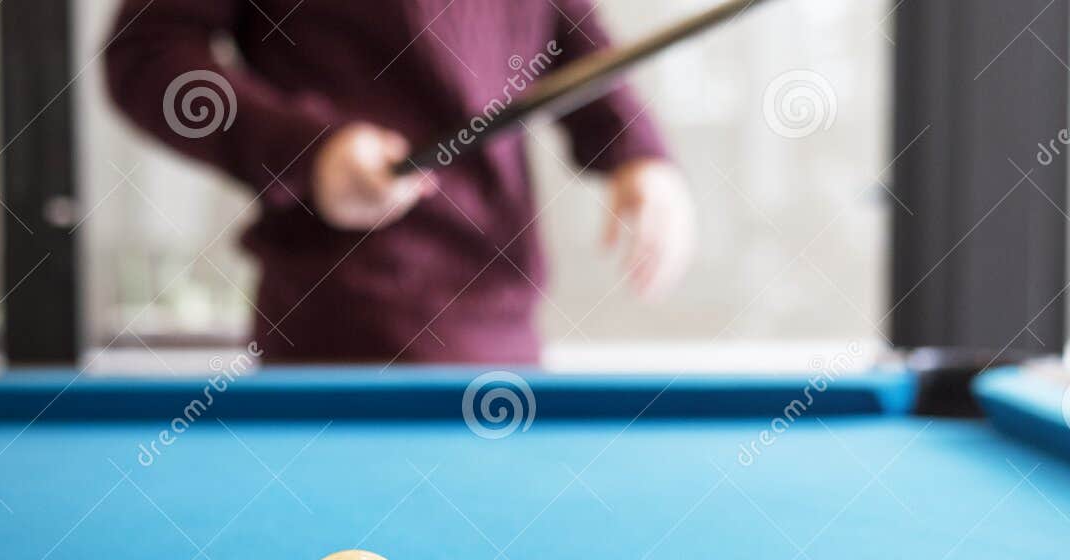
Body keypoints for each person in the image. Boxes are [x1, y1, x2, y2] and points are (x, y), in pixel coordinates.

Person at [104, 1, 696, 364]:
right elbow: (149, 55)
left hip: (503, 326)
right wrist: (310, 151)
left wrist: (639, 155)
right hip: (340, 329)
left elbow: (568, 35)